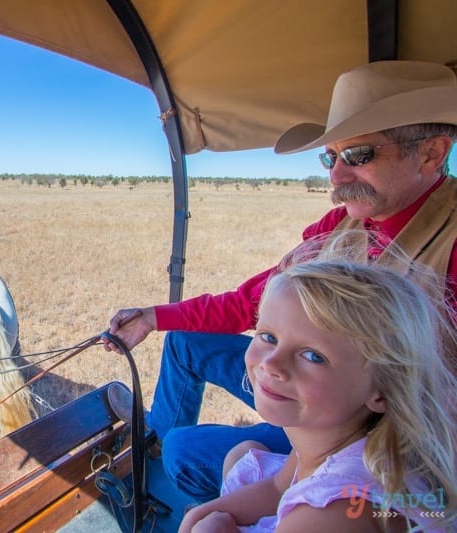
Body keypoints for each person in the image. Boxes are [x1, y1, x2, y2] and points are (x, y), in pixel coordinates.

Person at [103, 60, 457, 504]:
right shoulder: (339, 226)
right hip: (308, 383)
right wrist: (154, 317)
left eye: (359, 156)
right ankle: (155, 434)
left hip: (375, 439)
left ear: (431, 153)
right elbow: (251, 303)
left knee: (185, 452)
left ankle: (188, 500)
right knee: (184, 342)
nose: (336, 176)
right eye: (332, 157)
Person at [177, 256, 457, 532]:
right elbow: (280, 486)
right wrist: (208, 511)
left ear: (382, 392)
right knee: (242, 453)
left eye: (313, 356)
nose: (271, 363)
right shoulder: (325, 444)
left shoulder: (330, 516)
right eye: (268, 337)